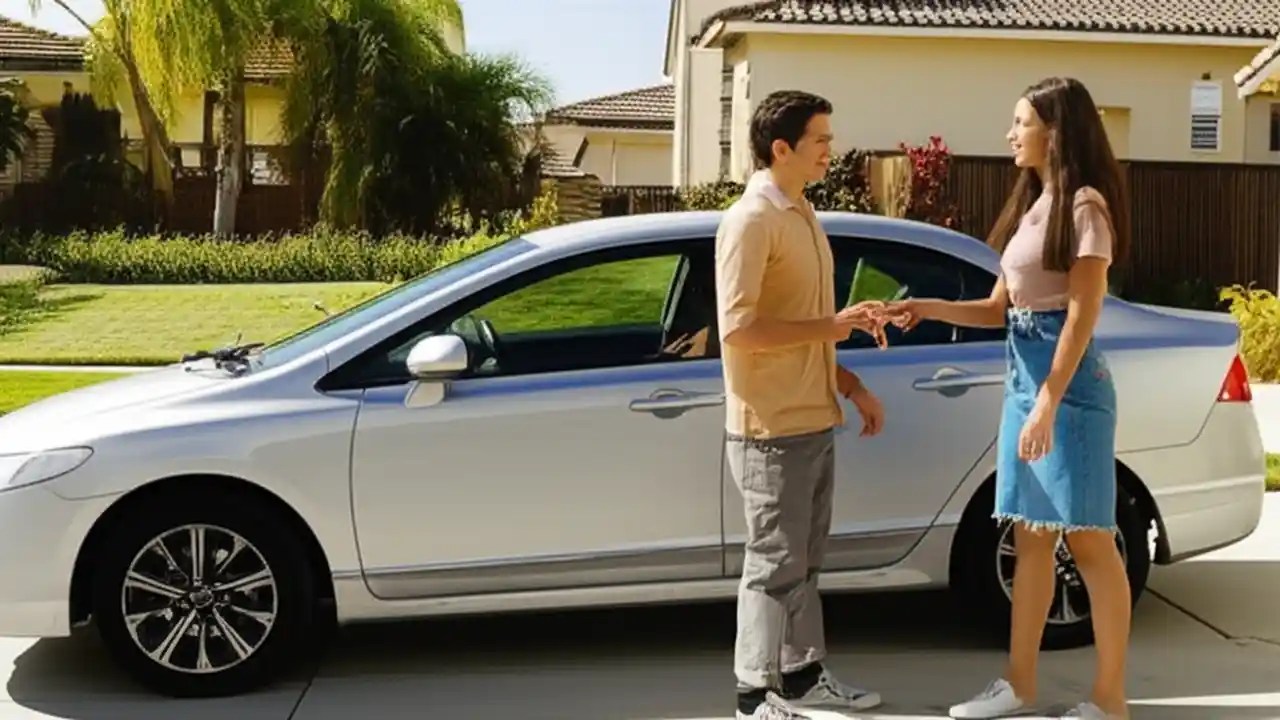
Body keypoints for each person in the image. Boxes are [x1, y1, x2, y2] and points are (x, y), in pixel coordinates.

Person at [885, 77, 1132, 720]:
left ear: (1055, 130)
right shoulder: (1035, 204)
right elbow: (1001, 308)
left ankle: (1110, 699)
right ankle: (1018, 686)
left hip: (1069, 389)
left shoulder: (1085, 207)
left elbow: (1081, 316)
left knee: (1090, 543)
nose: (1010, 133)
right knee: (1029, 539)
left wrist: (1049, 402)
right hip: (1027, 382)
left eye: (1020, 121)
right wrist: (926, 307)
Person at [715, 89, 889, 720]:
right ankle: (752, 696)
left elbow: (809, 323)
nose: (829, 151)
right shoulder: (751, 220)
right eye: (820, 139)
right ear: (781, 148)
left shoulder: (801, 213)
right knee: (771, 566)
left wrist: (849, 384)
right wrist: (832, 327)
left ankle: (800, 678)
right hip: (769, 427)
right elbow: (739, 329)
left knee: (804, 564)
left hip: (814, 418)